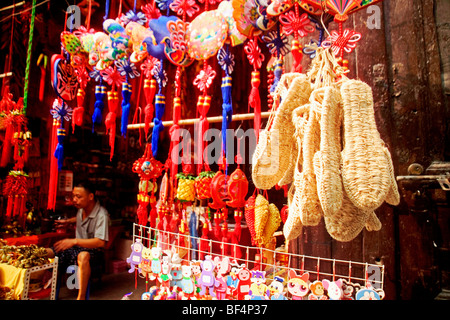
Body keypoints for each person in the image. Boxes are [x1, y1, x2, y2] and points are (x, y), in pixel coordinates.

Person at [46, 180, 109, 300]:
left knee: (83, 255)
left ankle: (81, 297)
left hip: (94, 251)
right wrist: (68, 221)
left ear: (90, 196)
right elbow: (80, 218)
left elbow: (101, 242)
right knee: (53, 250)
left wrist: (74, 241)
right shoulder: (82, 209)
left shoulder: (102, 215)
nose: (74, 200)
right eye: (73, 196)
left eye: (78, 197)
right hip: (77, 247)